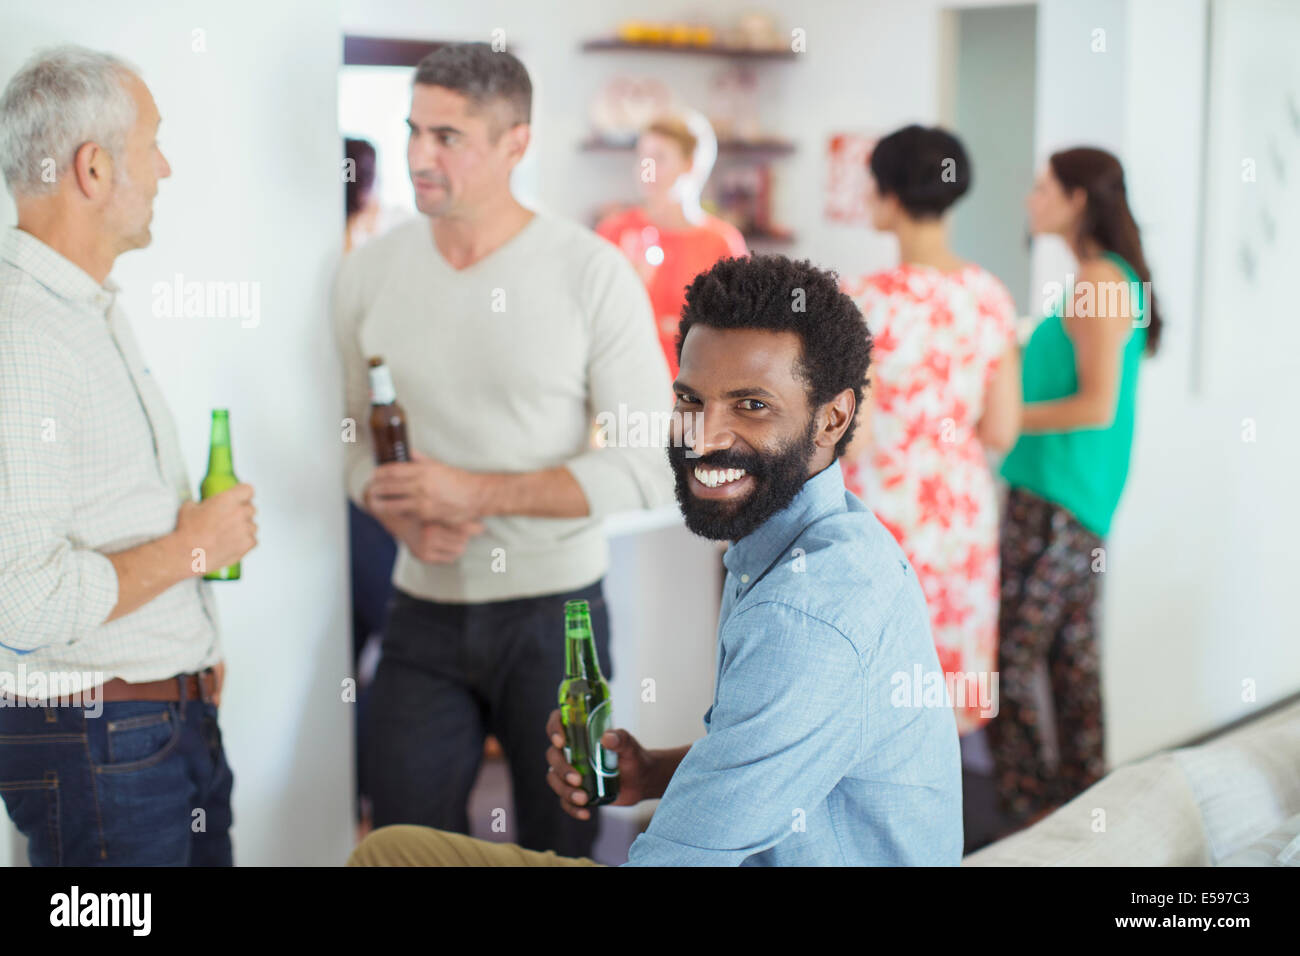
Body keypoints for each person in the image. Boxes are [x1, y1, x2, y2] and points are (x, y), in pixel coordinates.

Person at [346, 254, 964, 867]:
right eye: (692, 401)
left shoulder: (806, 612)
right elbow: (791, 753)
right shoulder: (812, 542)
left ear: (833, 417)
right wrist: (659, 773)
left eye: (751, 405)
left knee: (389, 858)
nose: (704, 436)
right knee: (393, 847)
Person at [332, 42, 673, 859]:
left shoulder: (590, 272)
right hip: (420, 610)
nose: (419, 155)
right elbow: (346, 439)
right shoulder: (364, 273)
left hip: (558, 620)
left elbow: (648, 464)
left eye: (448, 136)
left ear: (517, 143)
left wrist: (472, 493)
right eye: (414, 130)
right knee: (402, 847)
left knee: (560, 846)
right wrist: (382, 500)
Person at [0, 46, 257, 865]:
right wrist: (195, 548)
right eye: (155, 143)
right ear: (95, 167)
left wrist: (188, 662)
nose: (167, 167)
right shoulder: (26, 337)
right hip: (99, 743)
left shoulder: (81, 308)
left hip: (148, 729)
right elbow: (22, 602)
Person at [988, 147, 1162, 831]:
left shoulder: (1101, 282)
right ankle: (1086, 816)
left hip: (1059, 497)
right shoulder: (1096, 279)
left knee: (1011, 658)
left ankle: (1031, 817)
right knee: (1069, 659)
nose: (1030, 199)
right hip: (1066, 496)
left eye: (1042, 188)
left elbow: (1097, 405)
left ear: (1078, 199)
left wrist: (1004, 420)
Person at [842, 125, 1021, 736]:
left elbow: (853, 436)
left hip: (886, 518)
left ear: (890, 194)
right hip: (961, 518)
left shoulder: (862, 301)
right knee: (947, 705)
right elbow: (1002, 428)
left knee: (878, 702)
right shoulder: (989, 296)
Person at [596, 112, 747, 379]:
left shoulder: (722, 243)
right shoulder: (614, 233)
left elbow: (738, 334)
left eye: (659, 158)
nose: (646, 168)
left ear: (691, 164)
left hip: (696, 393)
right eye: (642, 157)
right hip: (625, 385)